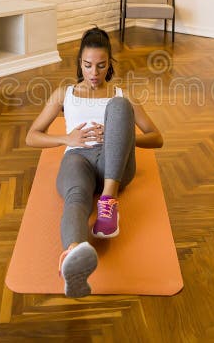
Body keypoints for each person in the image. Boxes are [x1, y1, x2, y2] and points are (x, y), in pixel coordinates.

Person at [25, 26, 164, 298]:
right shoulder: (63, 94)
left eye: (101, 66)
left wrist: (120, 139)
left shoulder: (122, 95)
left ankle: (107, 203)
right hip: (77, 158)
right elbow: (32, 136)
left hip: (115, 166)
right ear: (80, 63)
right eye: (88, 65)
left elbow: (157, 138)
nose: (94, 73)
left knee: (119, 107)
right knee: (76, 197)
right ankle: (73, 256)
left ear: (109, 64)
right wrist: (67, 138)